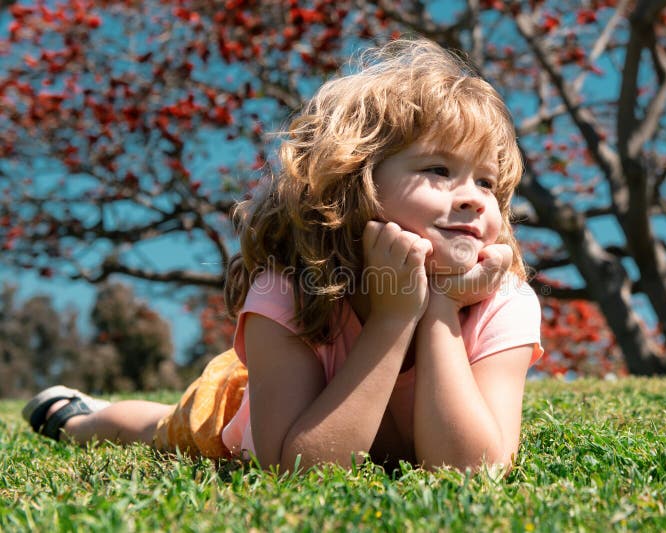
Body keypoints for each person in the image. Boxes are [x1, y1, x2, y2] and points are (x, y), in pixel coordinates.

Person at [23, 38, 543, 472]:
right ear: (353, 181)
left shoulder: (505, 302)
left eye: (487, 182)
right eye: (438, 170)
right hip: (250, 409)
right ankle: (83, 417)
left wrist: (440, 311)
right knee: (159, 429)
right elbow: (299, 471)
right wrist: (392, 319)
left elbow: (475, 470)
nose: (475, 197)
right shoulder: (290, 289)